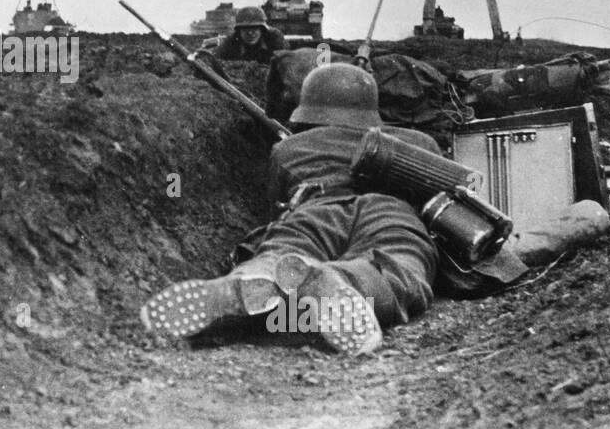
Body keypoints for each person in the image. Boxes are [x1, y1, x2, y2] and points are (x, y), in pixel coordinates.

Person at [140, 63, 443, 354]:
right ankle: (343, 281)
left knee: (284, 250)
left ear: (309, 108)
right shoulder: (419, 143)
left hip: (315, 205)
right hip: (390, 211)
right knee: (398, 263)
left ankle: (251, 279)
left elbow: (277, 207)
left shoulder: (289, 149)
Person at [198, 6, 286, 66]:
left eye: (254, 28)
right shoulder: (231, 42)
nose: (250, 33)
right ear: (238, 31)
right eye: (245, 29)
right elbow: (212, 56)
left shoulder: (274, 40)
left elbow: (287, 62)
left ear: (261, 30)